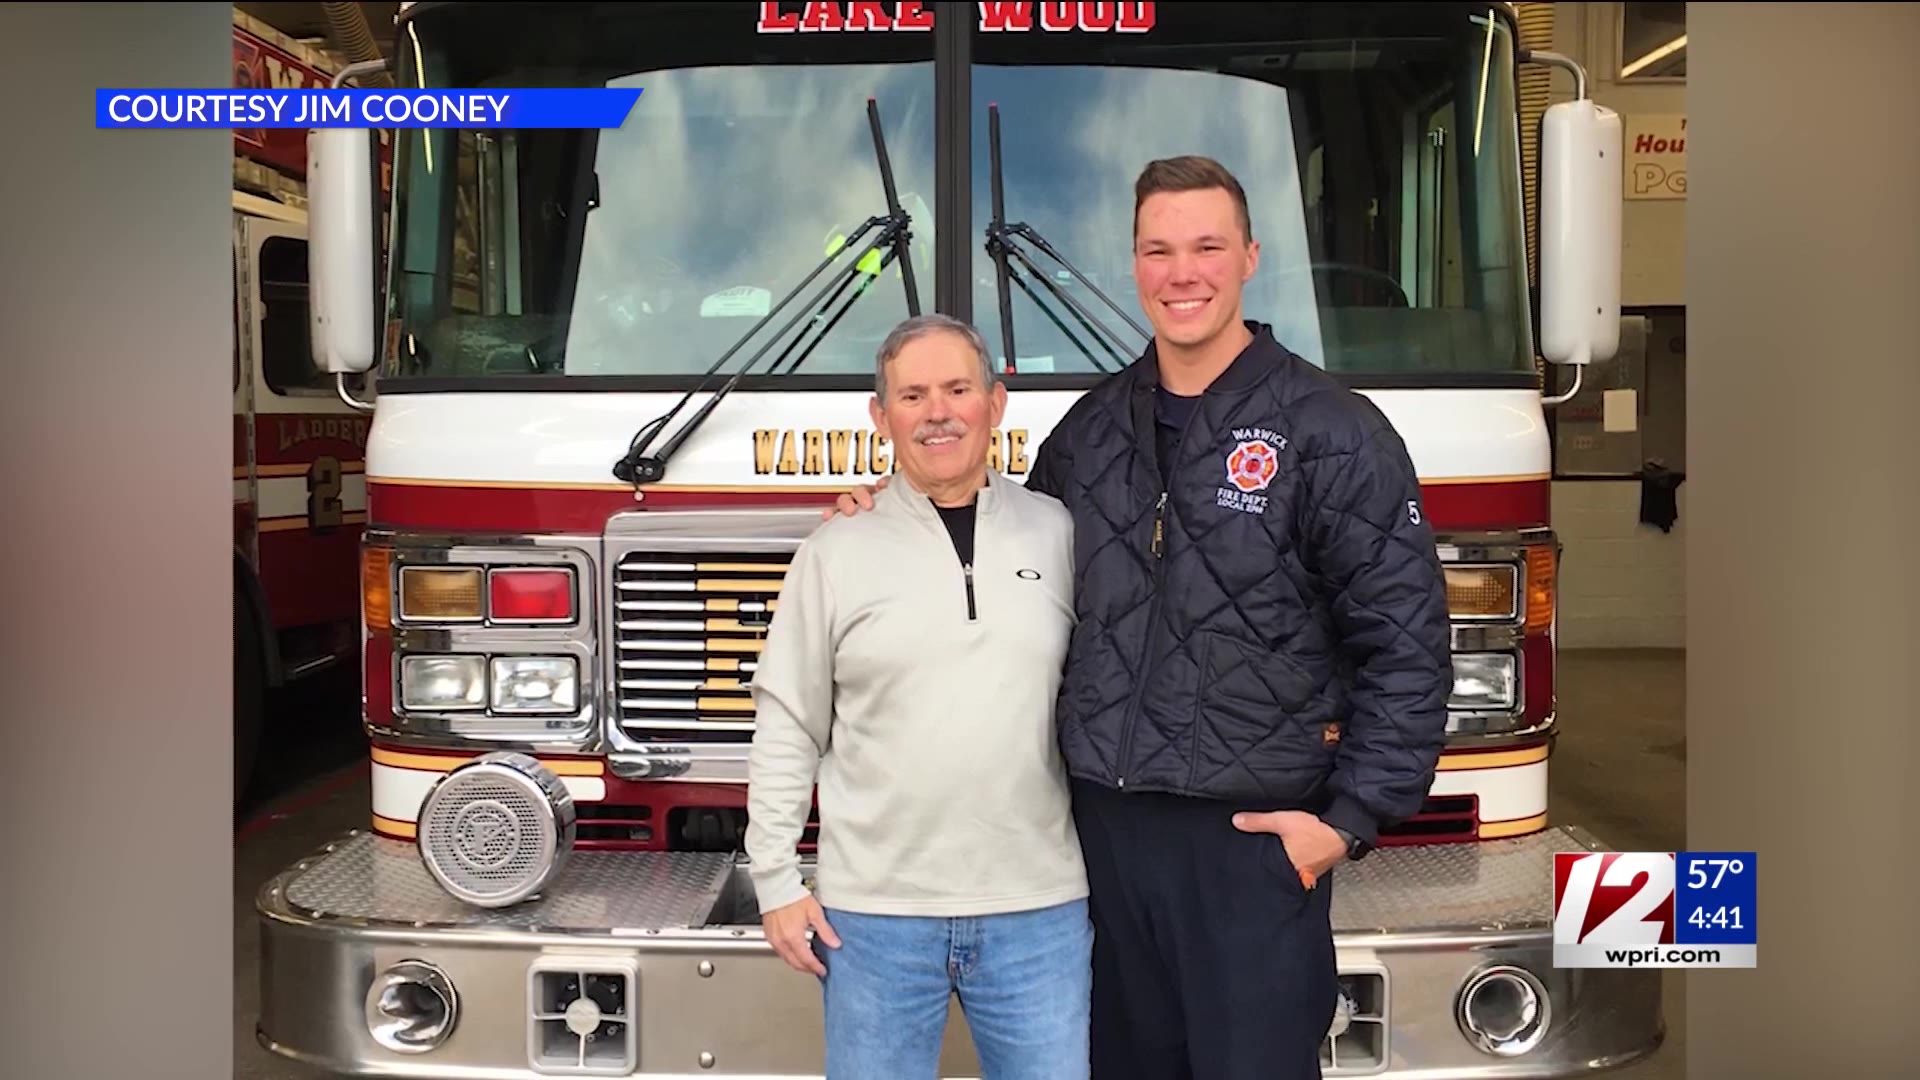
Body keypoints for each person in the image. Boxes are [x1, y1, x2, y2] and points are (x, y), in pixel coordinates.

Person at [826, 156, 1453, 1079]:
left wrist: (1348, 821)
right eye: (1158, 251)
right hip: (1100, 849)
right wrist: (887, 515)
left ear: (1250, 257)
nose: (1181, 273)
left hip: (1250, 849)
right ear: (1134, 265)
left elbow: (1406, 648)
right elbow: (996, 562)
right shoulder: (1089, 436)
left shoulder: (1332, 432)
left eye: (1206, 247)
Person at [746, 313, 1094, 1080]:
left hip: (1039, 912)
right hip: (873, 922)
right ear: (882, 417)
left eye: (958, 390)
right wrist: (775, 881)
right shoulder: (835, 551)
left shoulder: (1061, 535)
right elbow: (788, 722)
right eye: (913, 396)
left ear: (995, 404)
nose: (938, 412)